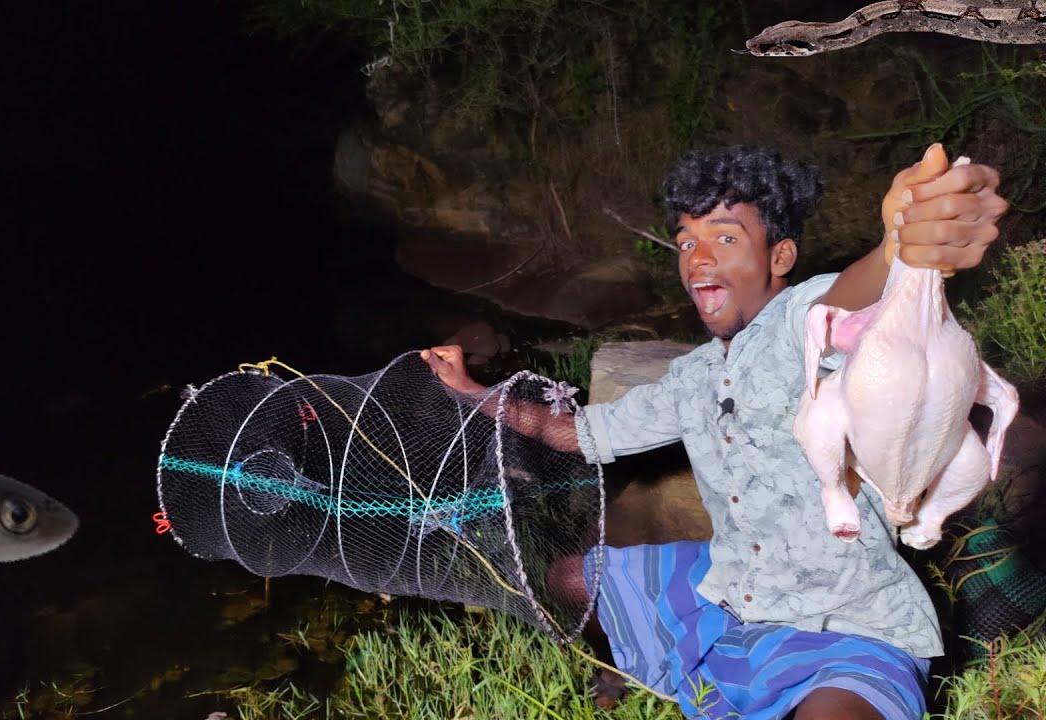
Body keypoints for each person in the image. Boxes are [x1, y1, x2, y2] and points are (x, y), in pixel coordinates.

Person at [421, 142, 1009, 720]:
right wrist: (473, 393)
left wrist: (899, 243)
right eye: (687, 242)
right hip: (731, 587)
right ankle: (625, 664)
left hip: (848, 617)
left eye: (726, 238)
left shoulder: (802, 323)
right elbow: (583, 434)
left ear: (779, 258)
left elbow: (852, 294)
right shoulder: (693, 376)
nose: (698, 258)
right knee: (570, 578)